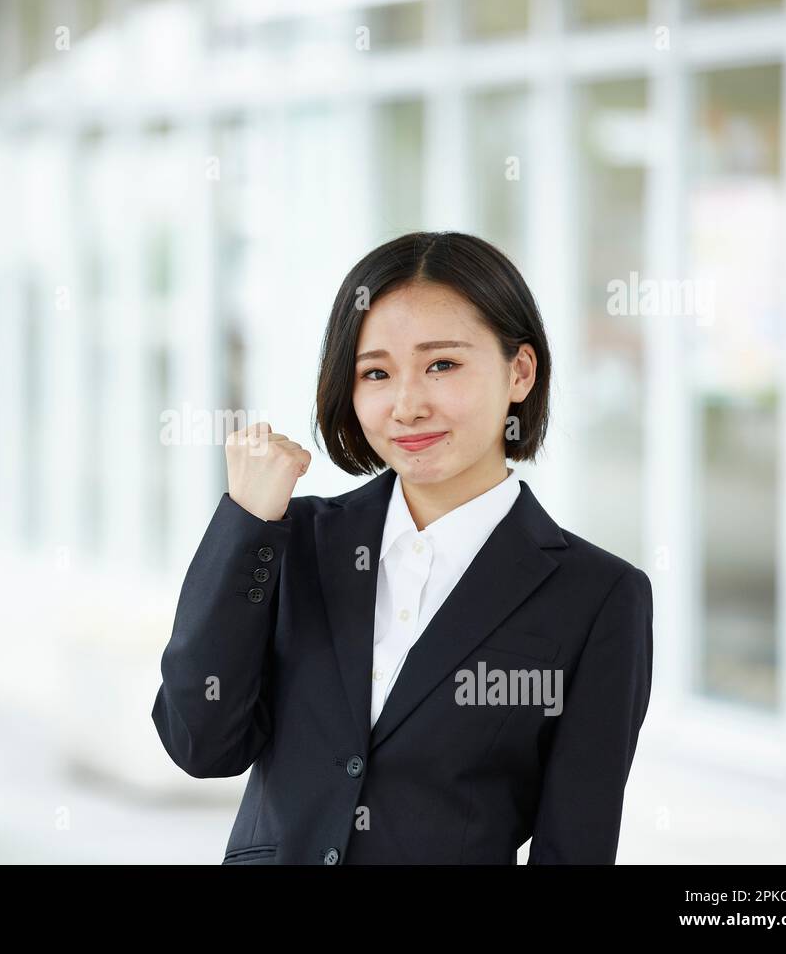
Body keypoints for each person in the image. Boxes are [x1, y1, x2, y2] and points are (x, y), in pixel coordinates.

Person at [151, 231, 653, 864]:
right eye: (376, 373)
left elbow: (574, 846)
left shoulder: (598, 597)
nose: (408, 405)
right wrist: (245, 525)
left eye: (442, 364)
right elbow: (200, 742)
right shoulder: (291, 539)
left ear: (520, 371)